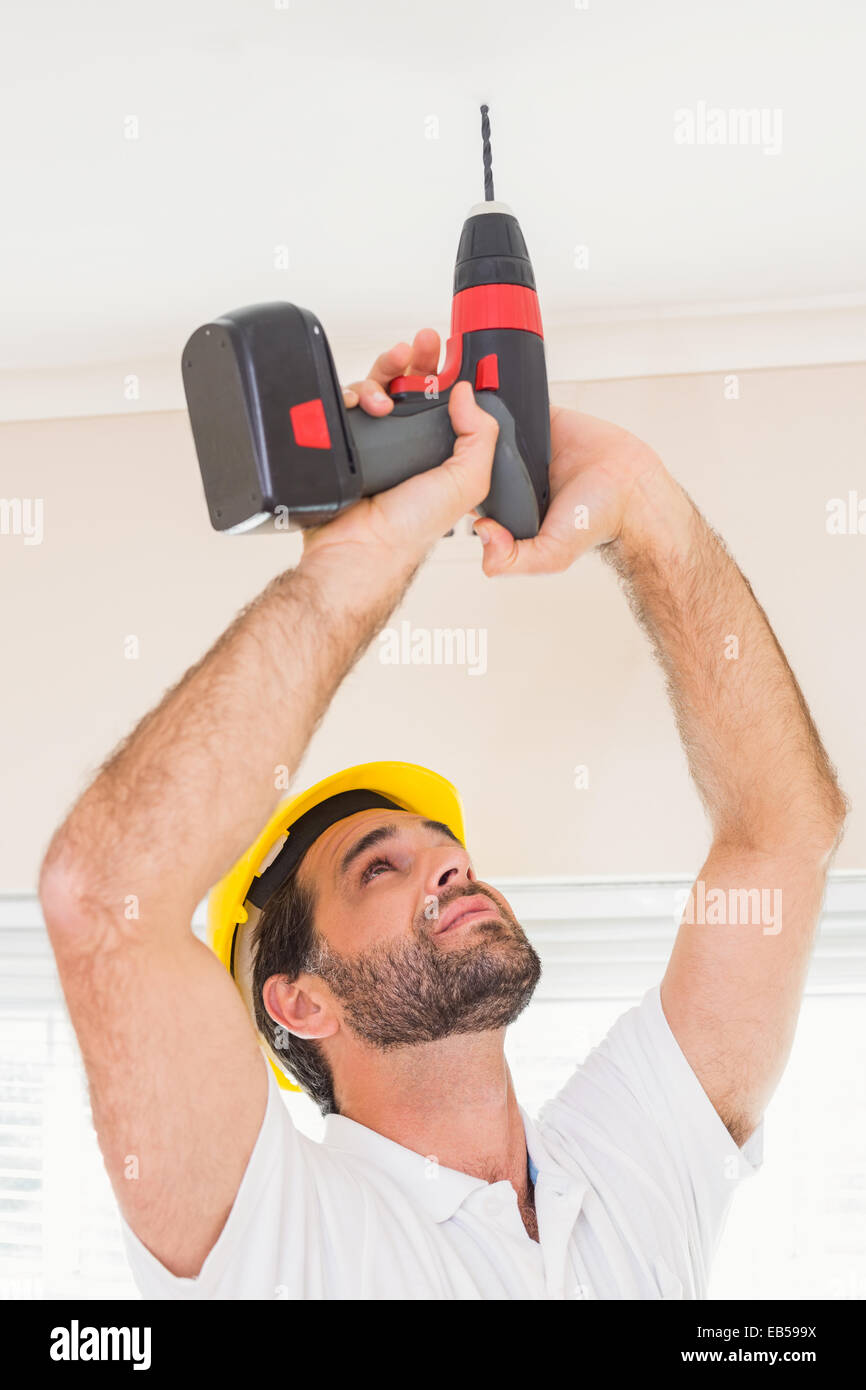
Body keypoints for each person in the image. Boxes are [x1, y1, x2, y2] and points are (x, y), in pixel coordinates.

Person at [39, 330, 846, 1300]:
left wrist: (647, 510)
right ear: (298, 1001)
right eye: (377, 867)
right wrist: (359, 555)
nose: (450, 866)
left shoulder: (623, 1173)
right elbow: (105, 898)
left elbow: (782, 839)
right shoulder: (273, 1232)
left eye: (444, 850)